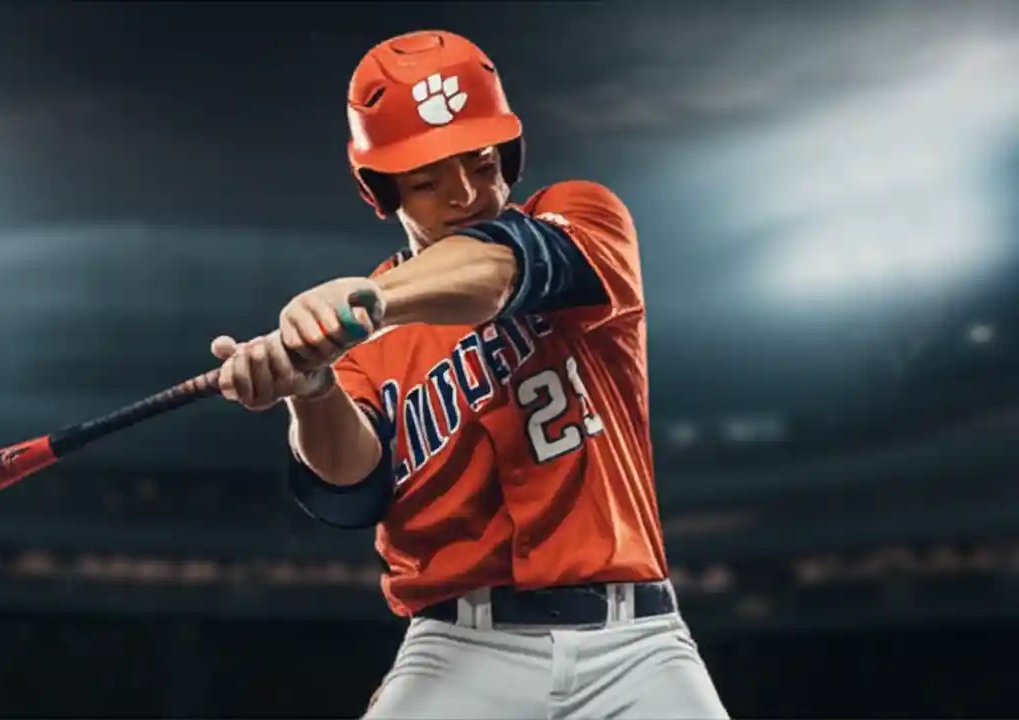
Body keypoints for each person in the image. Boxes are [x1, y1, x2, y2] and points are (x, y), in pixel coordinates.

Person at [210, 29, 729, 719]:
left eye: (481, 164)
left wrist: (365, 303)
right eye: (427, 180)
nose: (465, 194)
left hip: (634, 644)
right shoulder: (361, 344)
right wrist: (312, 388)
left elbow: (499, 269)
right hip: (458, 650)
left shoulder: (581, 216)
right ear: (383, 189)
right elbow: (350, 493)